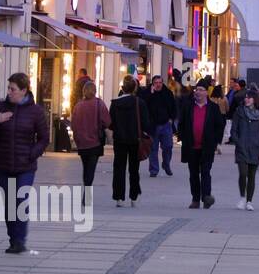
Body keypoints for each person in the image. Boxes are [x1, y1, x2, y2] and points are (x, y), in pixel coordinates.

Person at [0, 73, 49, 254]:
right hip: (3, 164)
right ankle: (13, 239)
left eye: (13, 89)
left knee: (21, 200)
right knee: (9, 203)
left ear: (24, 91)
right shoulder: (0, 107)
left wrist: (32, 154)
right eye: (8, 88)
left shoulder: (36, 111)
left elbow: (44, 138)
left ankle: (21, 239)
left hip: (25, 166)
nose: (9, 92)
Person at [177, 83, 226, 209]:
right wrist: (182, 138)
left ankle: (206, 197)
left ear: (206, 93)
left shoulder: (213, 108)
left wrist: (216, 142)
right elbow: (181, 124)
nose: (197, 92)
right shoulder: (188, 107)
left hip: (207, 147)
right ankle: (195, 199)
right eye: (196, 90)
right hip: (191, 146)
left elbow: (220, 125)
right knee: (193, 174)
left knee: (205, 172)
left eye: (200, 90)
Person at [109, 75, 151, 208]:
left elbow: (111, 123)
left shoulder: (115, 103)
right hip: (135, 139)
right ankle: (134, 196)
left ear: (122, 88)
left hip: (119, 139)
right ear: (135, 88)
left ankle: (118, 197)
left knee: (119, 168)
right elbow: (146, 123)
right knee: (134, 169)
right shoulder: (140, 103)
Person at [69, 80, 110, 195]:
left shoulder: (78, 106)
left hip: (82, 143)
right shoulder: (99, 104)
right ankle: (87, 194)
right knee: (90, 169)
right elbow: (107, 122)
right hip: (95, 142)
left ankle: (86, 191)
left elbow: (74, 125)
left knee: (85, 167)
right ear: (95, 91)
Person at [232, 90, 259, 210]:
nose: (246, 99)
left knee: (252, 176)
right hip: (242, 148)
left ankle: (249, 201)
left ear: (255, 99)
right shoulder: (239, 112)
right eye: (245, 98)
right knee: (243, 173)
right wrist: (238, 142)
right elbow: (234, 131)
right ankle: (242, 197)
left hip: (255, 149)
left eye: (249, 98)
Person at [140, 75, 178, 177]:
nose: (158, 85)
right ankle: (154, 170)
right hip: (152, 126)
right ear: (152, 84)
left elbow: (173, 107)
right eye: (156, 83)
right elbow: (143, 106)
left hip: (166, 124)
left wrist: (171, 119)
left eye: (160, 83)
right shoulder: (147, 93)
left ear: (162, 83)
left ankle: (166, 164)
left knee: (168, 146)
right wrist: (151, 94)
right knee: (153, 149)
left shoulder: (167, 93)